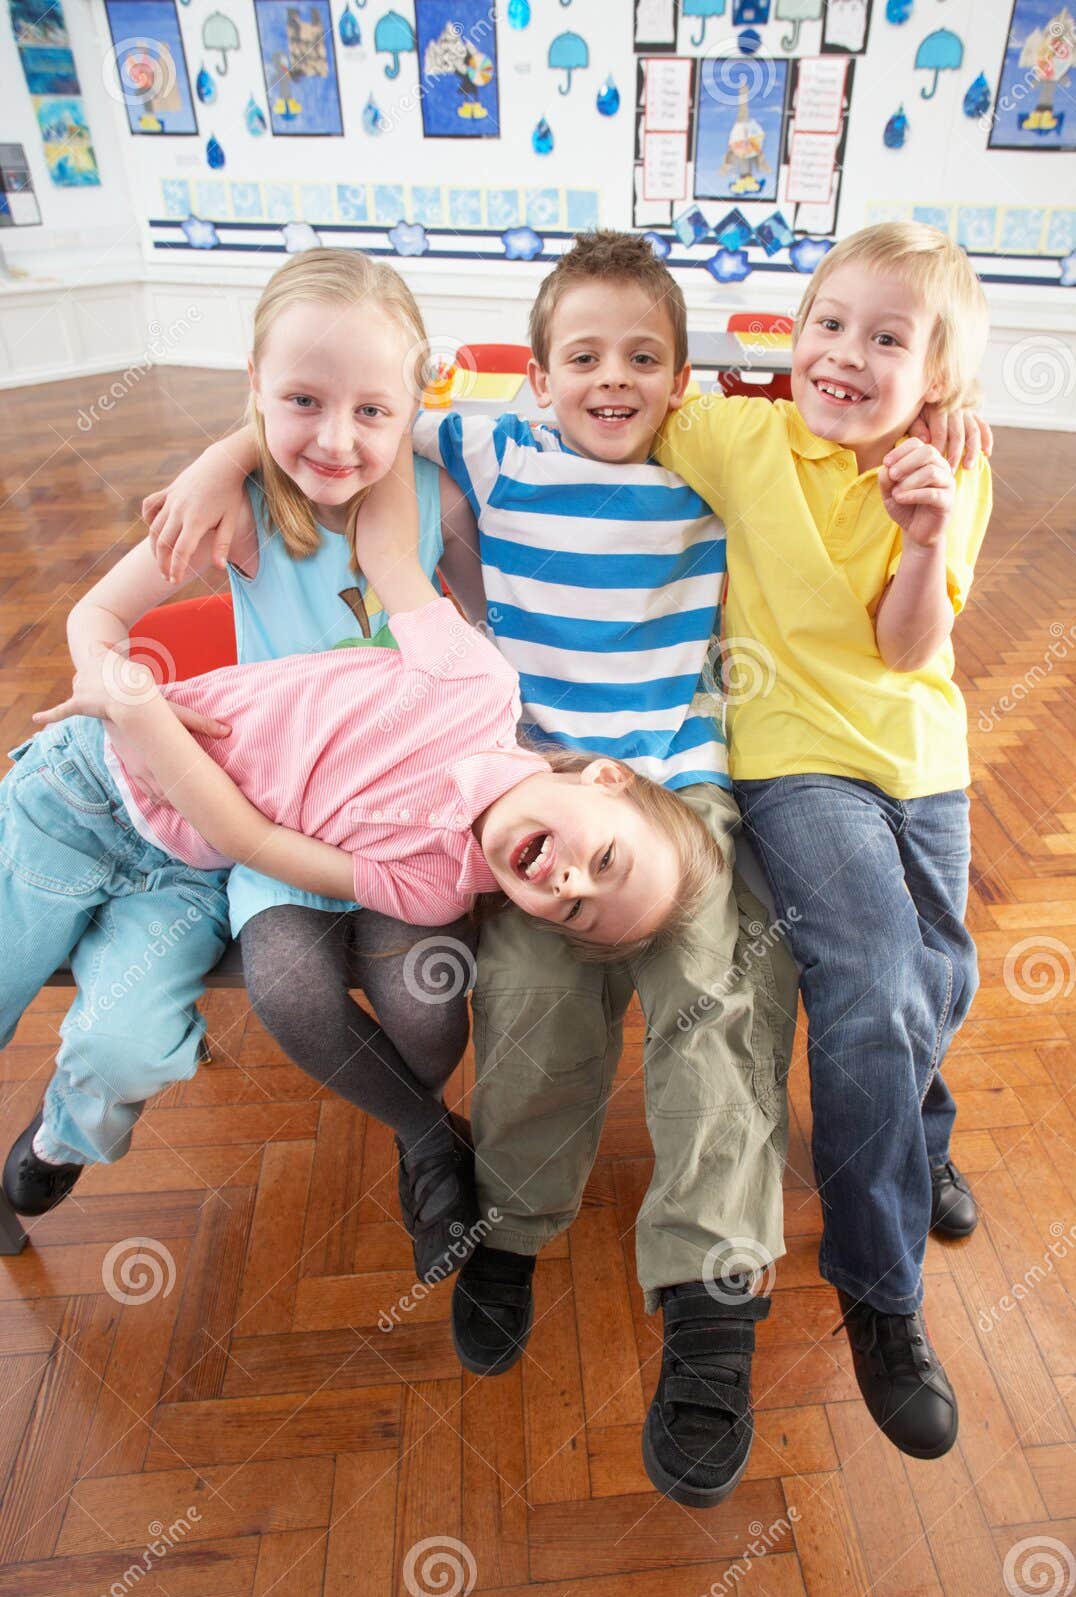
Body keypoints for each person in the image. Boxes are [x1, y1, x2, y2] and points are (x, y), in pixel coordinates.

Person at [135, 231, 796, 1511]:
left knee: (717, 999)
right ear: (533, 378)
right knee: (538, 996)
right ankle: (512, 1222)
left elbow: (842, 444)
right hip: (530, 788)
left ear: (683, 380)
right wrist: (225, 447)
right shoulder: (494, 445)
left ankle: (713, 1301)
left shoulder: (718, 456)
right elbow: (348, 427)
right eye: (584, 357)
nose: (614, 381)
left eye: (645, 359)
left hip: (680, 784)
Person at [1, 460, 721, 1290]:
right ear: (603, 777)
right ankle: (425, 1137)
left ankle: (406, 1136)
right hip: (87, 782)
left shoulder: (438, 886)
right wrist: (276, 436)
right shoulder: (478, 684)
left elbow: (259, 843)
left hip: (188, 859)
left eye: (575, 912)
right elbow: (386, 548)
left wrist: (145, 720)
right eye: (603, 860)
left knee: (136, 1041)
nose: (569, 884)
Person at [655, 220, 994, 1460]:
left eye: (888, 338)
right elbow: (606, 391)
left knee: (940, 980)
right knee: (875, 987)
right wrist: (233, 452)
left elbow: (910, 648)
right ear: (793, 340)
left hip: (925, 760)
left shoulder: (953, 471)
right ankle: (879, 1286)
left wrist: (924, 532)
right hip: (797, 756)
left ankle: (920, 1133)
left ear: (939, 379)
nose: (846, 354)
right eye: (829, 325)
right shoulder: (742, 437)